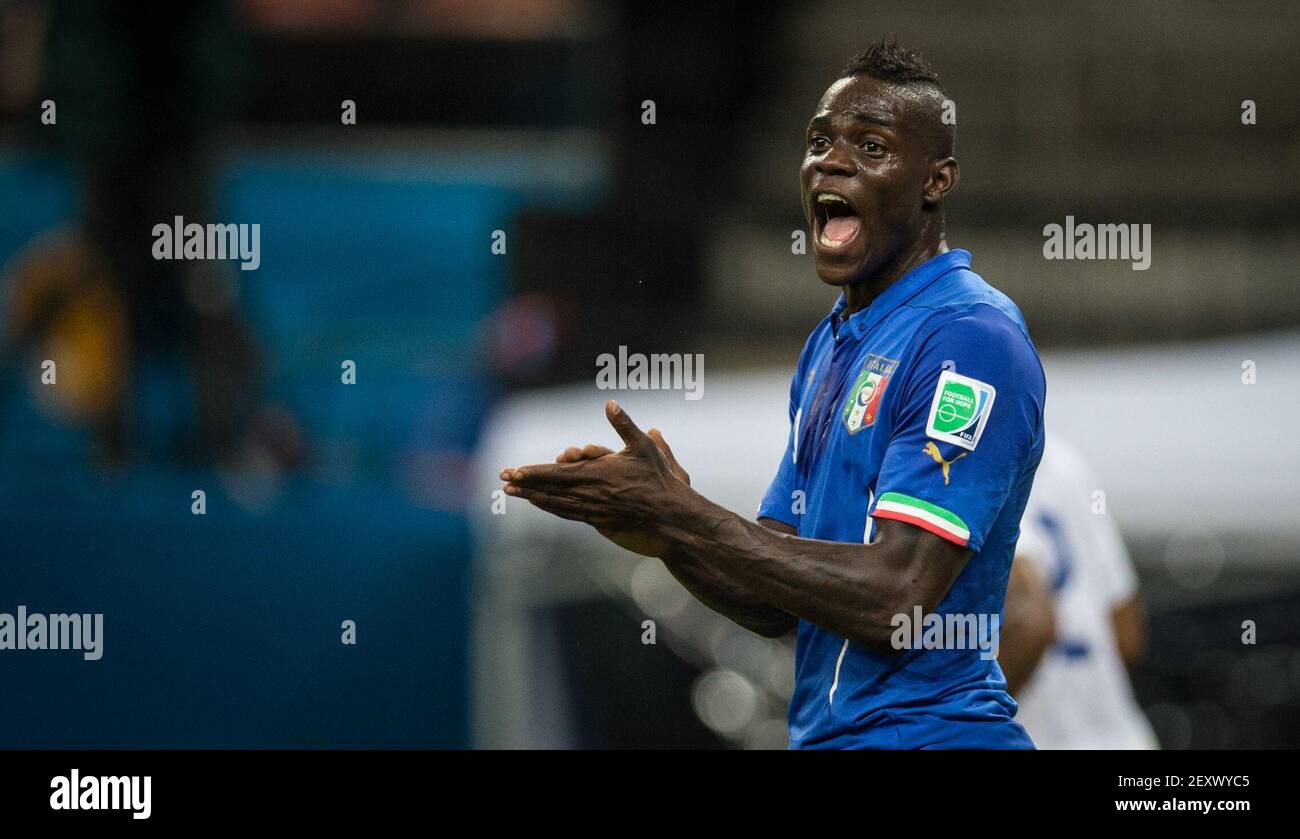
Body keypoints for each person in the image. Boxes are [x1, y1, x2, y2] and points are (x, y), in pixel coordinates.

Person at [501, 39, 1048, 749]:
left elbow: (897, 593)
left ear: (935, 182)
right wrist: (664, 532)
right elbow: (776, 593)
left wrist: (686, 511)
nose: (833, 160)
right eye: (819, 140)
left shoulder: (969, 338)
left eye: (871, 146)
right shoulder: (830, 346)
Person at [1001, 435, 1159, 749]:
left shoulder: (972, 468)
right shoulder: (1062, 460)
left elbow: (1030, 624)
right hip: (1121, 739)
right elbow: (1127, 632)